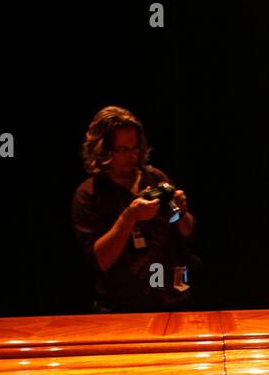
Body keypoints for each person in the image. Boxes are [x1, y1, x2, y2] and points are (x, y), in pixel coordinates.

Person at [71, 106, 196, 313]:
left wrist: (181, 212)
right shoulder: (89, 194)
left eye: (136, 148)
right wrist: (128, 218)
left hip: (170, 302)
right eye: (123, 150)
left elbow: (188, 232)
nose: (133, 156)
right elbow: (101, 260)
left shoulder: (155, 179)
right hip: (119, 309)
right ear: (103, 151)